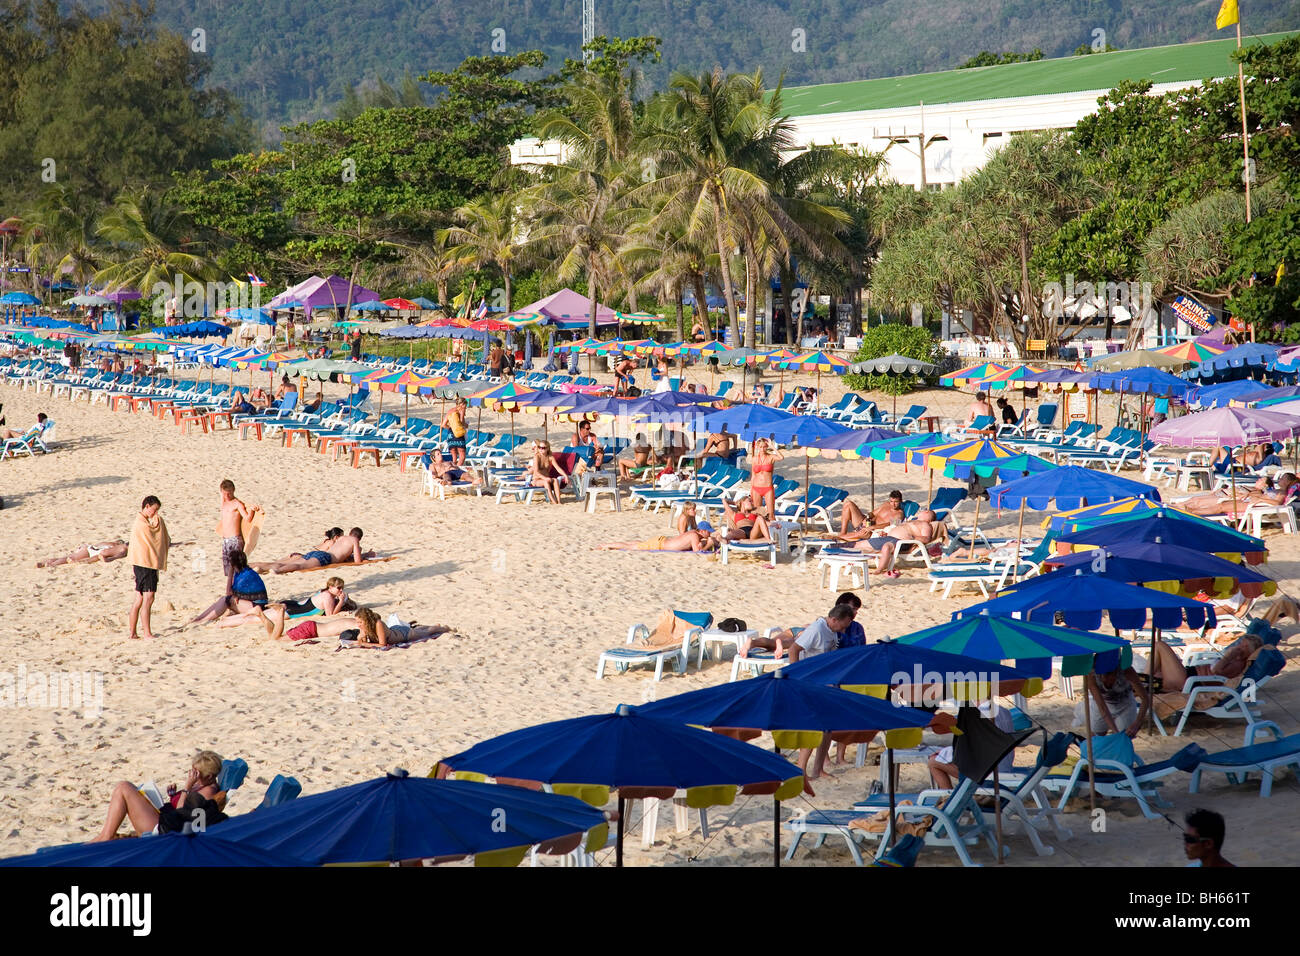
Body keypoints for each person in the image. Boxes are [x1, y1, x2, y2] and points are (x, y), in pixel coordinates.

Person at [92, 750, 224, 841]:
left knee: (124, 788)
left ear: (209, 776)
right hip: (164, 820)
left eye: (196, 773)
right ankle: (105, 835)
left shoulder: (208, 792)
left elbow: (182, 813)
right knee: (127, 789)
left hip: (163, 830)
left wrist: (187, 788)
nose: (192, 775)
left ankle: (106, 836)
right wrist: (173, 795)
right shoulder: (202, 784)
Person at [928, 701, 1016, 789]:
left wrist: (943, 752)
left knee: (933, 762)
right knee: (943, 757)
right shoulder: (1004, 712)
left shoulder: (977, 716)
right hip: (1004, 767)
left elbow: (969, 748)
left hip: (985, 772)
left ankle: (947, 797)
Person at [850, 510, 947, 577]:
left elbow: (926, 538)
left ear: (930, 518)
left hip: (900, 542)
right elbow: (891, 523)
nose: (924, 510)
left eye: (927, 511)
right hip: (887, 536)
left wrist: (913, 537)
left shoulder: (925, 524)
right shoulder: (911, 520)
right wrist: (882, 530)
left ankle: (879, 570)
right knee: (857, 544)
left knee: (886, 547)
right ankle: (838, 546)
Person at [127, 495, 169, 640]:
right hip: (145, 564)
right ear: (147, 506)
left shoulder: (141, 521)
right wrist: (159, 522)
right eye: (154, 509)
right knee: (148, 597)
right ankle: (147, 633)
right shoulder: (141, 523)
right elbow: (154, 534)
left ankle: (133, 633)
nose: (155, 513)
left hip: (140, 563)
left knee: (139, 597)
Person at [189, 551, 269, 625]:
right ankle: (199, 618)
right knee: (223, 599)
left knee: (226, 600)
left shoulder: (245, 575)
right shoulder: (241, 572)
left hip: (258, 607)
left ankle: (204, 620)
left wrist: (230, 575)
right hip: (252, 604)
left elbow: (229, 593)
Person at [1074, 666, 1150, 738]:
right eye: (1101, 675)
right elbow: (1102, 707)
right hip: (1102, 703)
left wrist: (1137, 723)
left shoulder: (1127, 670)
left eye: (1108, 675)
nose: (1104, 679)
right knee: (1096, 736)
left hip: (1125, 704)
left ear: (1116, 672)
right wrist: (1115, 731)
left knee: (1124, 736)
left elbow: (1145, 699)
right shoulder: (1092, 674)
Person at [217, 479, 262, 595]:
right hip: (225, 541)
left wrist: (252, 510)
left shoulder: (237, 504)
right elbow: (221, 492)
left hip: (235, 539)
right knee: (228, 570)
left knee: (235, 568)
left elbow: (247, 518)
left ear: (233, 491)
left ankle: (232, 591)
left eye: (230, 493)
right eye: (225, 493)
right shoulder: (223, 503)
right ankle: (231, 591)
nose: (228, 496)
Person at [838, 490, 904, 537]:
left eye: (896, 502)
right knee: (848, 504)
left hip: (872, 532)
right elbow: (873, 513)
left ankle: (840, 537)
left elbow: (890, 524)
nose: (893, 504)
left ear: (900, 501)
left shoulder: (899, 514)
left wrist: (872, 527)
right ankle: (843, 532)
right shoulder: (886, 504)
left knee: (864, 533)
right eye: (891, 501)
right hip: (866, 523)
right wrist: (867, 518)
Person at [750, 438, 784, 519]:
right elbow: (753, 475)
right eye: (760, 447)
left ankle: (772, 531)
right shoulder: (754, 459)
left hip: (767, 488)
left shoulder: (771, 457)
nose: (762, 449)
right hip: (756, 487)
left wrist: (772, 446)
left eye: (764, 447)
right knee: (758, 513)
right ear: (758, 447)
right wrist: (751, 489)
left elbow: (781, 457)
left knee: (771, 514)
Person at [599, 529, 716, 552]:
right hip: (660, 544)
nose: (709, 533)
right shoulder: (694, 536)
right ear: (702, 530)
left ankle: (608, 544)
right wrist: (708, 544)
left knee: (636, 544)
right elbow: (697, 550)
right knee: (631, 547)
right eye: (707, 531)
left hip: (661, 541)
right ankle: (606, 545)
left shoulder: (693, 533)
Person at [37, 540, 128, 568]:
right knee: (72, 560)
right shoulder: (122, 549)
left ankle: (47, 562)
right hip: (96, 552)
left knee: (68, 557)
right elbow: (101, 557)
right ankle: (51, 564)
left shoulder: (110, 543)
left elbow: (97, 545)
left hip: (90, 548)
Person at [441, 397, 469, 467]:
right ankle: (456, 470)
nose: (465, 408)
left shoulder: (450, 411)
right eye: (465, 406)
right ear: (462, 404)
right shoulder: (461, 410)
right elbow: (462, 422)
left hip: (450, 435)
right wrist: (466, 425)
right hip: (459, 434)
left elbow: (443, 425)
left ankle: (452, 469)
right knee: (462, 456)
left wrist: (451, 428)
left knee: (454, 457)